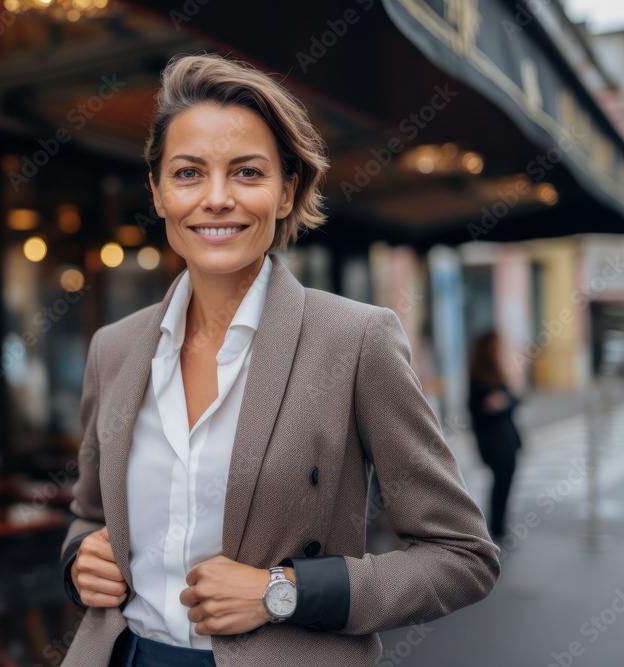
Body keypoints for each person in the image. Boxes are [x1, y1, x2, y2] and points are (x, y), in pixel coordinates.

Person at [59, 53, 499, 667]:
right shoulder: (114, 348)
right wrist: (80, 560)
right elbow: (88, 516)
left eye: (246, 172)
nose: (216, 199)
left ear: (286, 190)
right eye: (188, 173)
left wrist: (282, 593)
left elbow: (462, 557)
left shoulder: (356, 340)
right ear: (157, 192)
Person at [468, 331, 523, 541]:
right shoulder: (478, 378)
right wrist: (499, 402)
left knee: (504, 484)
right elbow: (479, 409)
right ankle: (496, 528)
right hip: (494, 442)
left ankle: (498, 526)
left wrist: (502, 401)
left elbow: (515, 400)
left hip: (507, 440)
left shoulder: (497, 375)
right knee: (500, 485)